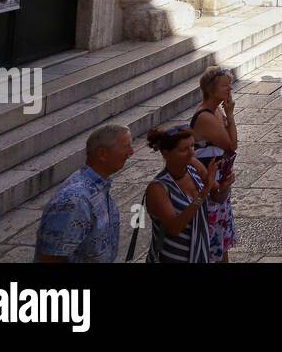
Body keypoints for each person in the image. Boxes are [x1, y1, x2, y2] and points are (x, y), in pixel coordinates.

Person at [35, 124, 133, 263]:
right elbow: (52, 258)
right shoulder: (75, 200)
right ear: (102, 154)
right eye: (125, 146)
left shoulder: (97, 188)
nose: (131, 152)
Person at [142, 126, 230, 263]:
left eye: (192, 147)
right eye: (183, 150)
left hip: (200, 252)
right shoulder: (158, 188)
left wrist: (225, 187)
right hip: (173, 257)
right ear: (166, 154)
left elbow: (216, 197)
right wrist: (203, 193)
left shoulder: (193, 166)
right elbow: (175, 228)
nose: (191, 154)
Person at [189, 67, 238, 260]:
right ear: (210, 89)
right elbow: (232, 145)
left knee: (221, 236)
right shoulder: (206, 116)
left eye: (230, 85)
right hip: (209, 183)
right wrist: (231, 116)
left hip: (219, 179)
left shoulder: (216, 110)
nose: (229, 89)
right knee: (213, 237)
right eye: (225, 86)